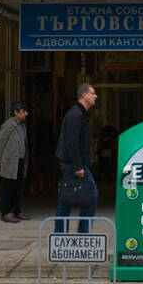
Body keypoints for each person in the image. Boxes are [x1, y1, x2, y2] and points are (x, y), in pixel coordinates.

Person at [57, 83, 98, 233]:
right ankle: (80, 234)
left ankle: (64, 234)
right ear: (84, 95)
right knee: (90, 195)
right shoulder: (76, 114)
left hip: (76, 163)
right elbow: (71, 142)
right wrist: (78, 166)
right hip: (73, 164)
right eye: (92, 93)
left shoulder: (81, 113)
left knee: (68, 198)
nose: (95, 96)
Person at [0, 101, 30, 223]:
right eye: (23, 111)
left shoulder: (22, 125)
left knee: (17, 187)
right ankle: (6, 213)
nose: (26, 113)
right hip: (10, 162)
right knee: (8, 188)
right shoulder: (9, 125)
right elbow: (0, 142)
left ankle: (16, 211)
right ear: (16, 112)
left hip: (19, 161)